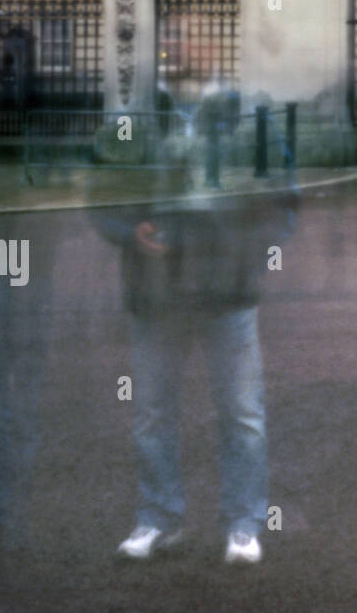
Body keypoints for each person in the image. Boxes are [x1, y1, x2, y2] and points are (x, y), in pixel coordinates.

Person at [92, 156, 296, 565]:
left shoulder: (246, 117)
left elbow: (284, 201)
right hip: (157, 291)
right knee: (155, 414)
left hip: (226, 289)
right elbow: (100, 196)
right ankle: (162, 517)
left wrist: (250, 251)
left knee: (241, 414)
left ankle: (241, 522)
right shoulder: (139, 119)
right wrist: (130, 233)